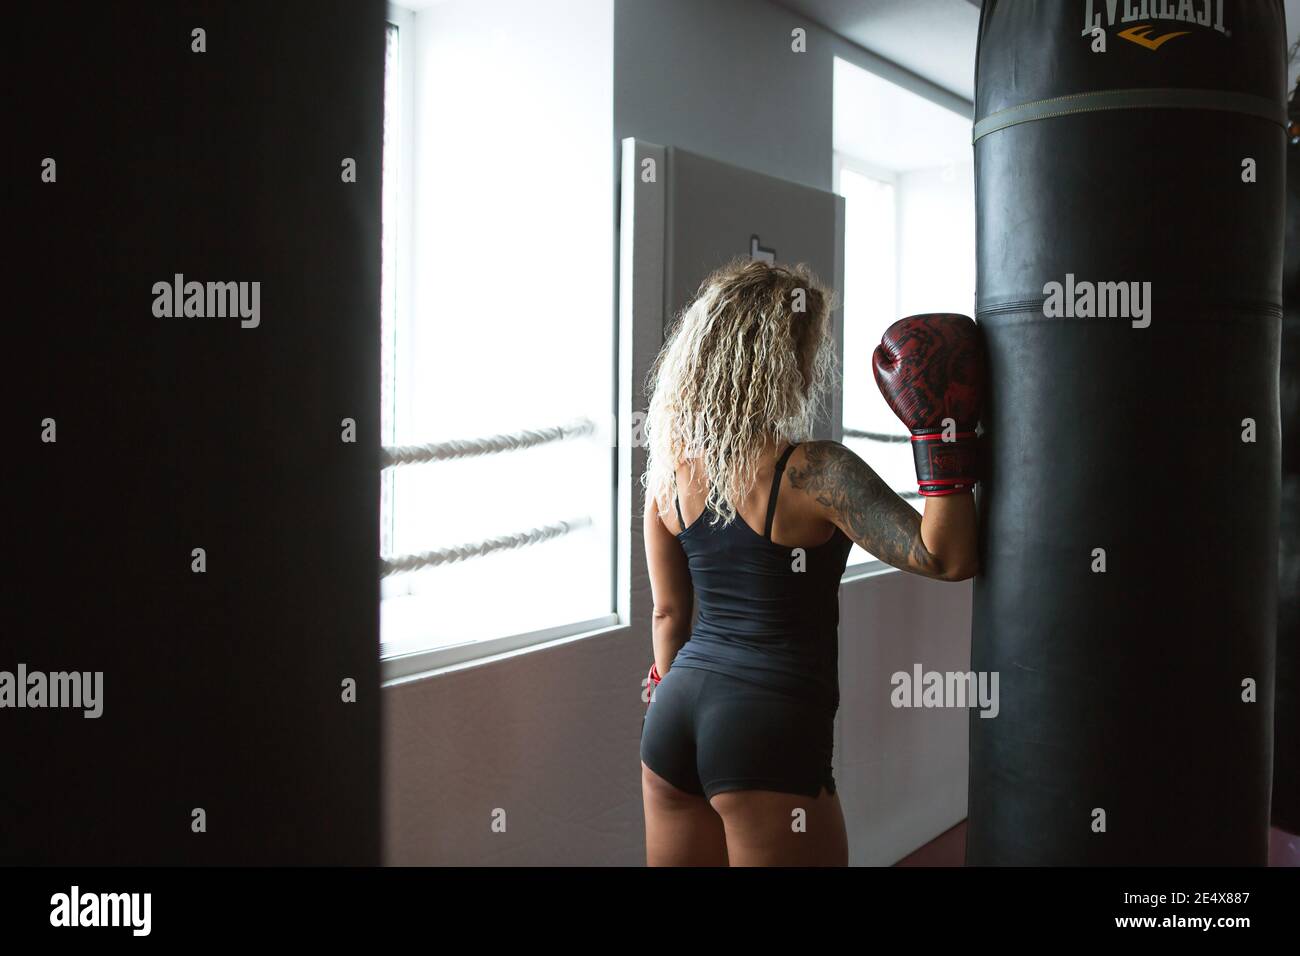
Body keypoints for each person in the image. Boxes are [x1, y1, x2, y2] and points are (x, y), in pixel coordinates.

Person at [639, 258, 982, 866]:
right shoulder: (814, 471)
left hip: (673, 721)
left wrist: (684, 697)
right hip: (765, 727)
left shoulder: (670, 472)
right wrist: (939, 433)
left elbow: (668, 614)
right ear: (784, 359)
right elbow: (946, 556)